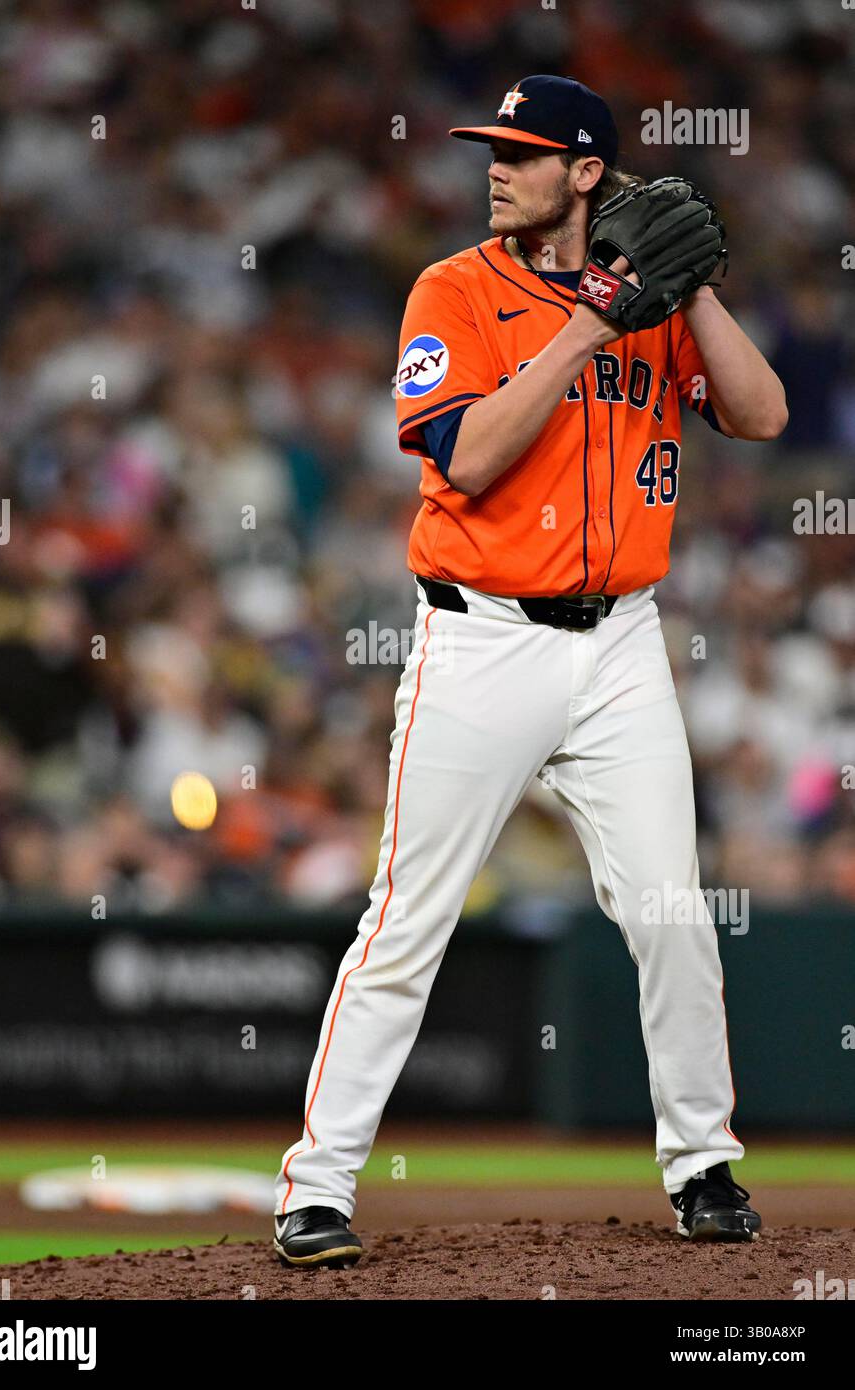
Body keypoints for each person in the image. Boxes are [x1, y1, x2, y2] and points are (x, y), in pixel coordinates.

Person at [273, 74, 787, 1268]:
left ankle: (703, 1165)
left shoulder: (652, 303)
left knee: (670, 912)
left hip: (620, 644)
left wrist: (692, 288)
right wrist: (592, 322)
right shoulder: (451, 288)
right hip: (480, 635)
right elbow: (470, 454)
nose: (495, 166)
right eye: (493, 149)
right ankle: (317, 1186)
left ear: (587, 173)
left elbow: (758, 415)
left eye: (523, 151)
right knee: (406, 922)